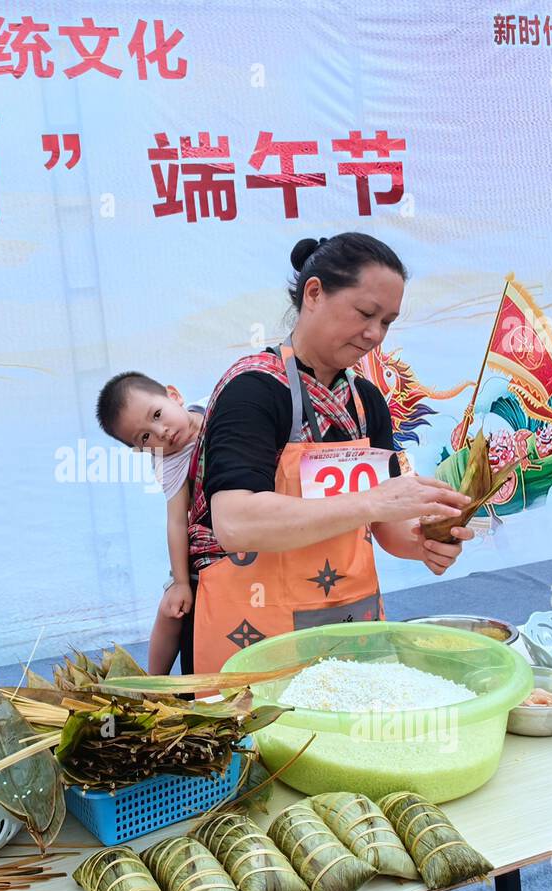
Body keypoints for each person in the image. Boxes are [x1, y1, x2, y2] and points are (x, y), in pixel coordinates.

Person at [184, 233, 475, 672]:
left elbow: (386, 528)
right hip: (253, 628)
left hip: (347, 621)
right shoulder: (253, 391)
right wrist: (372, 500)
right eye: (365, 313)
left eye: (388, 322)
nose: (374, 334)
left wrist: (426, 540)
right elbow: (236, 523)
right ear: (314, 293)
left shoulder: (367, 402)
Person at [96, 372, 206, 674]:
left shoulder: (219, 404)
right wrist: (181, 583)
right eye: (145, 437)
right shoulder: (169, 462)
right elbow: (176, 522)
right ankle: (153, 685)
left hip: (246, 523)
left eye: (157, 414)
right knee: (172, 609)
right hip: (201, 540)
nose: (161, 432)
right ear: (140, 450)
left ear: (174, 395)